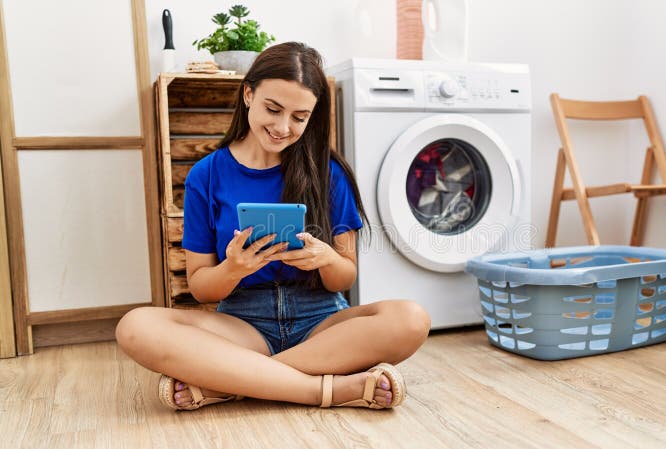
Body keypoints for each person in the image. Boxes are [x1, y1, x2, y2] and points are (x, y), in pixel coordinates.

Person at [115, 42, 431, 411]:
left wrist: (326, 259)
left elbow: (344, 278)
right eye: (273, 109)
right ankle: (324, 390)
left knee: (411, 319)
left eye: (299, 117)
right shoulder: (207, 174)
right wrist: (233, 268)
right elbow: (201, 287)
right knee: (136, 326)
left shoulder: (328, 173)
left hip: (321, 324)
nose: (283, 127)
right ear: (248, 94)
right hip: (242, 324)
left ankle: (231, 383)